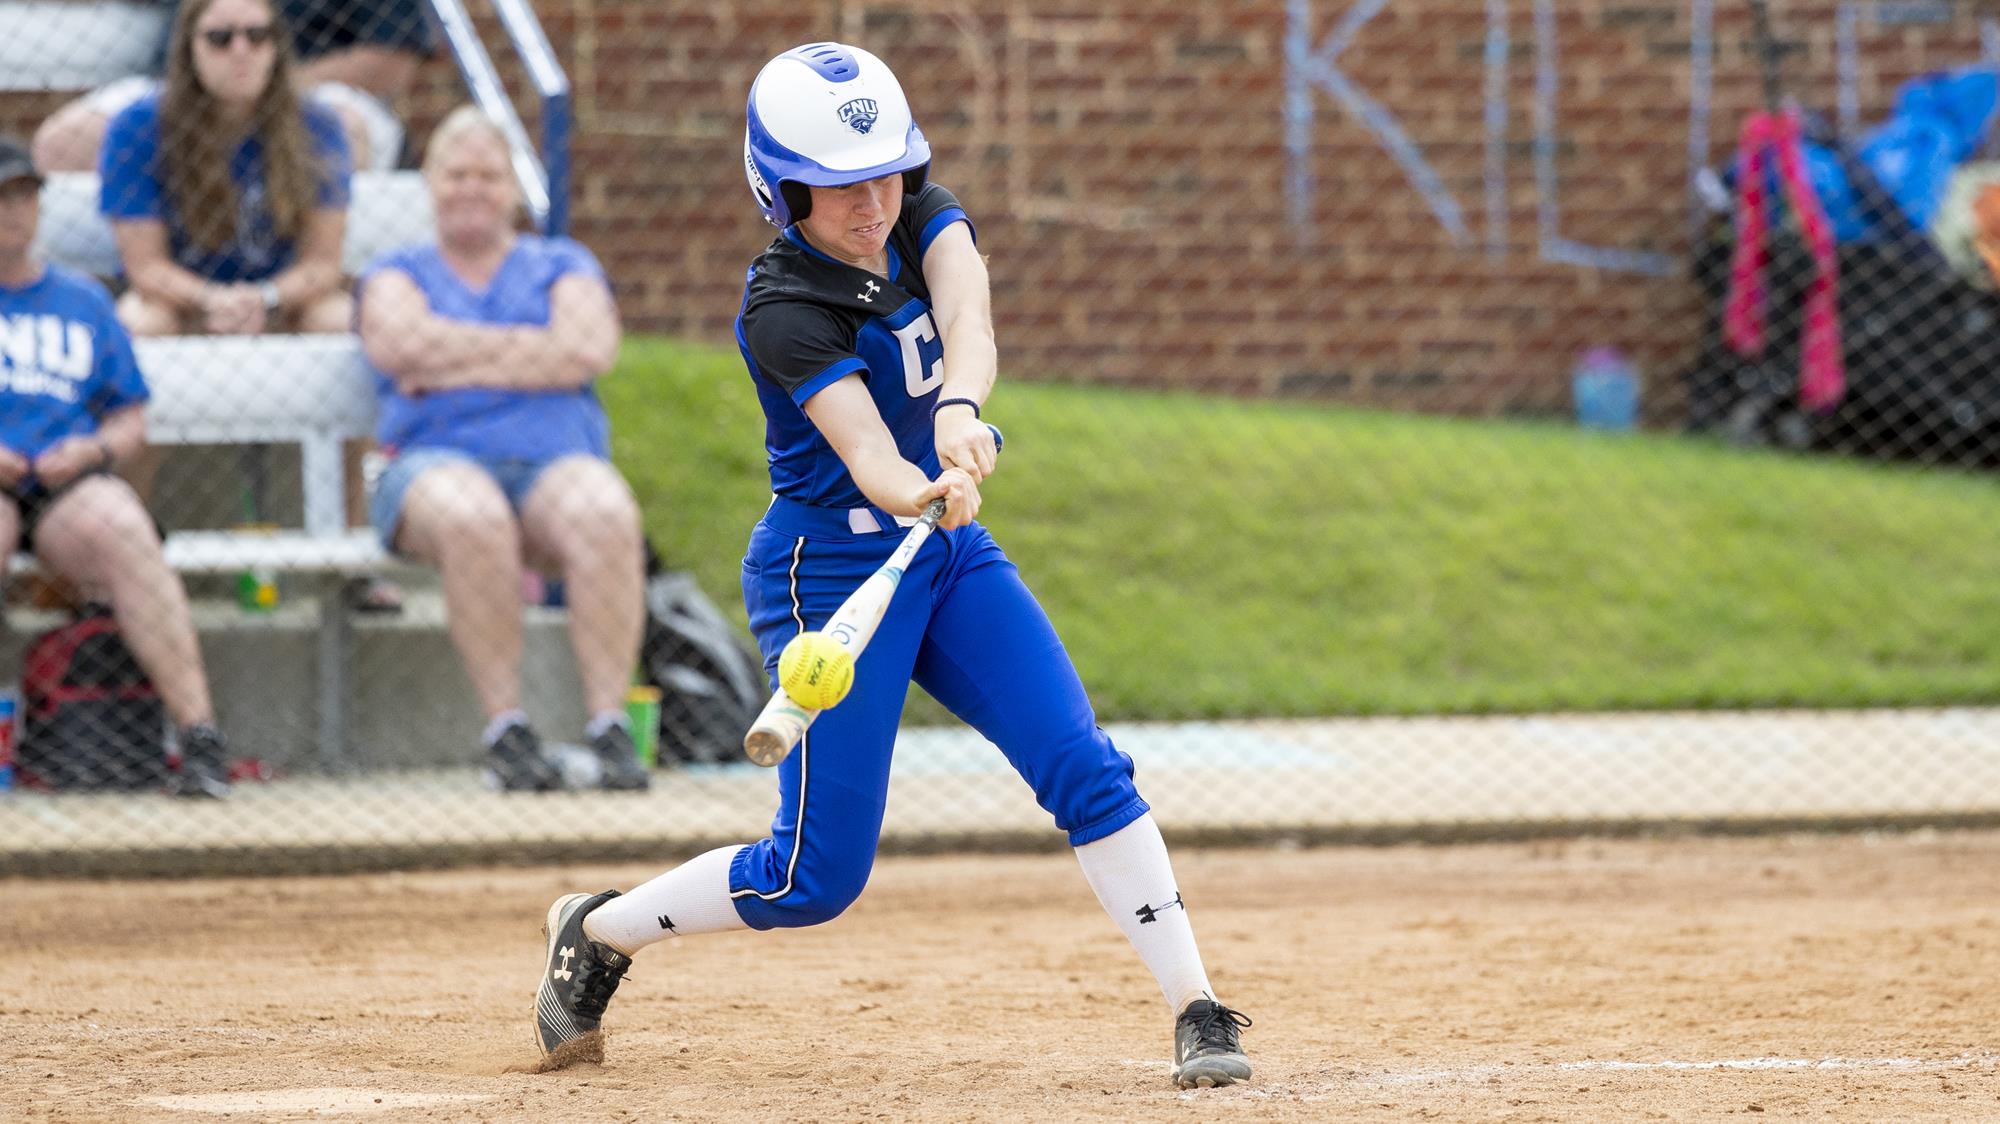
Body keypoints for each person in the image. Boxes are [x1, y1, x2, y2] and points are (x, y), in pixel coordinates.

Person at [530, 44, 1255, 1090]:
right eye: (839, 184)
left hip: (947, 559)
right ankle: (599, 928)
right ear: (781, 189)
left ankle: (1195, 1003)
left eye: (883, 173)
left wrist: (958, 415)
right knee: (811, 876)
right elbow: (867, 456)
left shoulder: (918, 211)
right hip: (826, 572)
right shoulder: (782, 306)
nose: (871, 201)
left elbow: (968, 316)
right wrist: (923, 485)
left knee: (1082, 763)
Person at [354, 106, 649, 794]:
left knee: (605, 509)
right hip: (431, 464)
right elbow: (399, 347)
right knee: (474, 516)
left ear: (514, 188)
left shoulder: (561, 262)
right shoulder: (395, 270)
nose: (472, 188)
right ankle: (507, 732)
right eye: (455, 173)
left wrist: (448, 355)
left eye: (489, 174)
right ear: (428, 184)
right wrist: (535, 351)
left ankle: (609, 728)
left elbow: (587, 350)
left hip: (555, 461)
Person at [0, 136, 234, 799]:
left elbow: (129, 414)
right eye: (1, 198)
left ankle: (199, 738)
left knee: (126, 528)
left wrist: (93, 452)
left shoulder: (83, 300)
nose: (13, 211)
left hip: (65, 478)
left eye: (24, 196)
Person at [99, 0, 354, 338]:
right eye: (220, 38)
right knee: (141, 320)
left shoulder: (317, 123)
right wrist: (212, 300)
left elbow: (322, 265)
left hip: (281, 303)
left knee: (338, 317)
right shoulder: (138, 126)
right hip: (181, 304)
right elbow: (145, 267)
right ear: (189, 48)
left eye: (258, 35)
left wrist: (265, 299)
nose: (241, 50)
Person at [33, 0, 436, 174]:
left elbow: (391, 62)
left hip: (310, 89)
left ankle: (316, 287)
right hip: (183, 90)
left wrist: (266, 84)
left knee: (341, 128)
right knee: (62, 143)